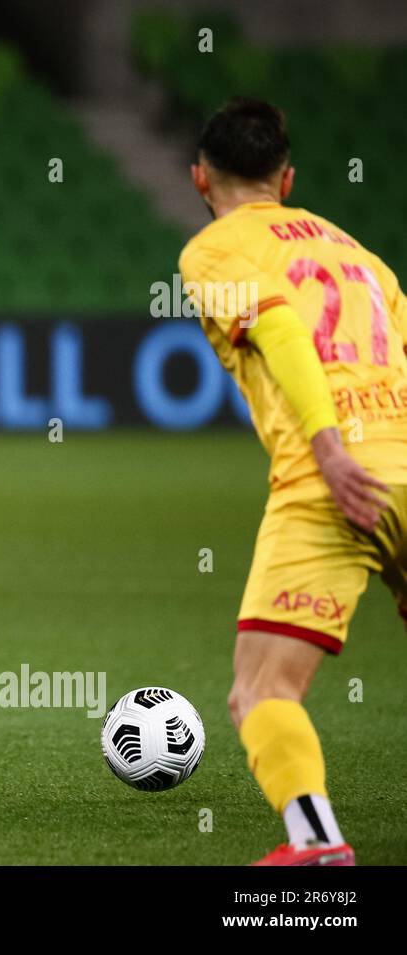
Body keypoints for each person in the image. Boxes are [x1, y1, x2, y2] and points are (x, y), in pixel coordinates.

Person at [180, 97, 407, 866]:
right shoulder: (364, 256)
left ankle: (316, 842)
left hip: (333, 476)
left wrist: (332, 447)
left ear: (199, 177)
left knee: (261, 692)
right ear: (289, 178)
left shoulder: (214, 250)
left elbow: (278, 328)